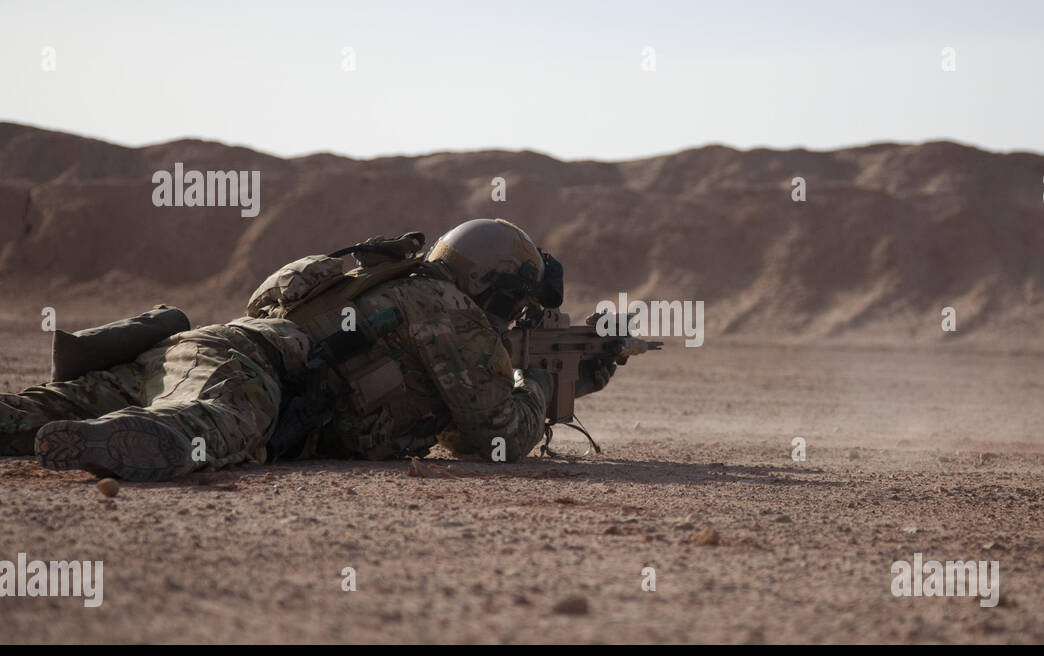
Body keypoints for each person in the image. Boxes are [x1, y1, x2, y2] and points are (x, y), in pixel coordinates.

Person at [0, 219, 616, 481]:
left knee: (37, 409)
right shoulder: (449, 310)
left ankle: (42, 422)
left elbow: (453, 429)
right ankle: (126, 439)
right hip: (252, 377)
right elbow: (498, 435)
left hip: (194, 347)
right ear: (495, 289)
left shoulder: (384, 278)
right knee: (212, 428)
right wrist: (538, 382)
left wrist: (564, 375)